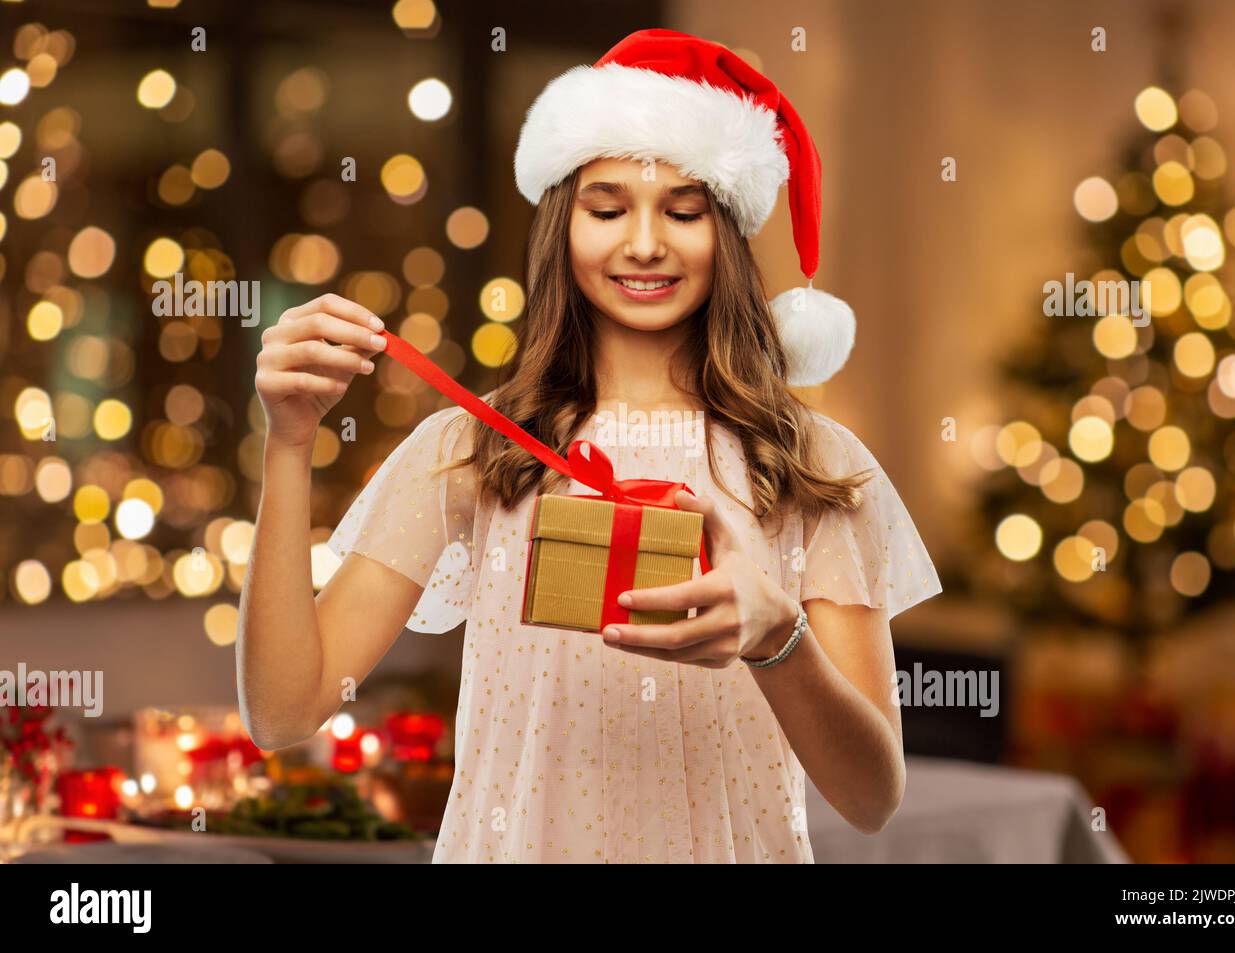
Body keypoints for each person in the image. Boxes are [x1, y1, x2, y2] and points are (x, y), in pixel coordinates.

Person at [237, 28, 941, 863]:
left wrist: (777, 637)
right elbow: (282, 711)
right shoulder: (471, 450)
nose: (644, 243)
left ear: (730, 236)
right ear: (561, 228)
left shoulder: (815, 464)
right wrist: (288, 444)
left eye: (684, 211)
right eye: (607, 209)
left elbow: (871, 798)